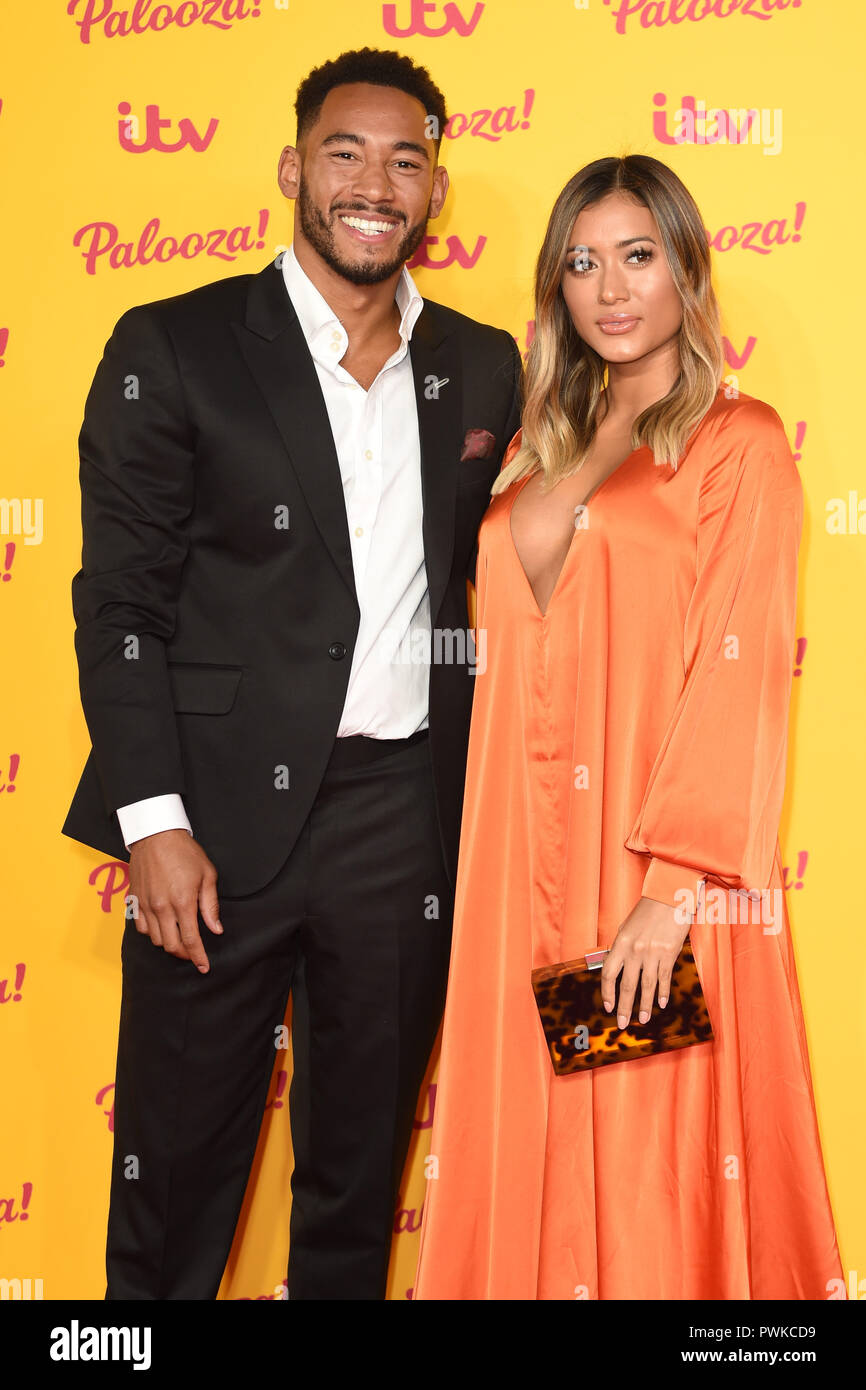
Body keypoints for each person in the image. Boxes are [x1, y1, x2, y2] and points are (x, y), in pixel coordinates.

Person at [62, 47, 521, 1301]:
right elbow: (119, 602)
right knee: (174, 1182)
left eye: (406, 159)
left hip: (402, 820)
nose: (375, 182)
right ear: (292, 169)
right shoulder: (177, 345)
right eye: (345, 152)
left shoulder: (481, 367)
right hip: (208, 822)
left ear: (434, 190)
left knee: (357, 1184)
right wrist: (151, 819)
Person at [412, 155, 844, 1300]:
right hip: (518, 864)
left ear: (686, 270)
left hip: (651, 870)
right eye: (581, 262)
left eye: (637, 255)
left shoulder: (735, 441)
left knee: (644, 1152)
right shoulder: (530, 448)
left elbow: (739, 668)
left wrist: (674, 885)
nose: (608, 288)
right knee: (532, 1136)